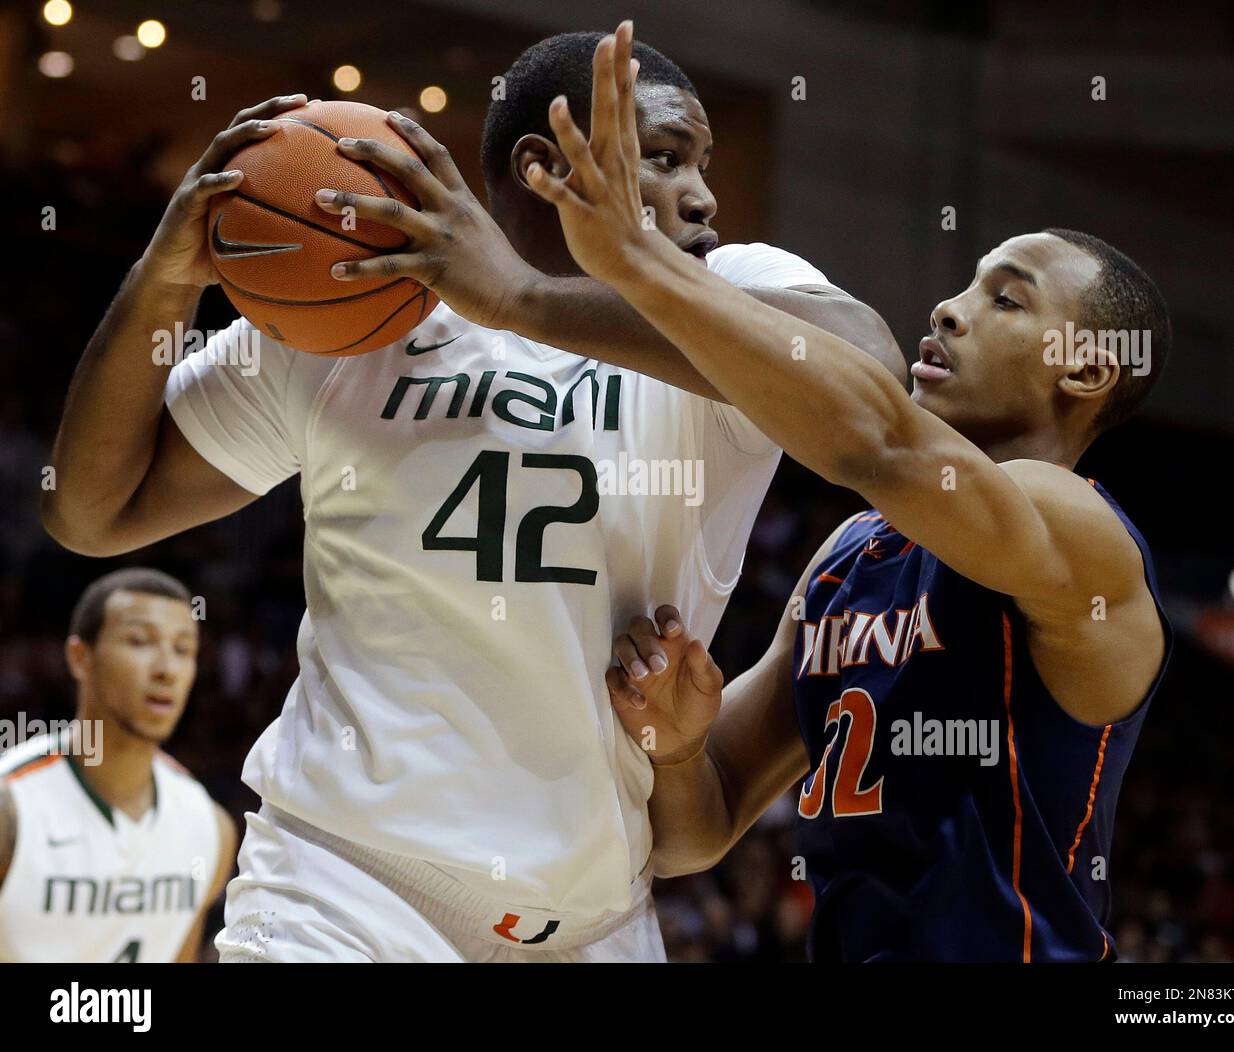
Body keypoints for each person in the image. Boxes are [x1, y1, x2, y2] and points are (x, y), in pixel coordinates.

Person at [40, 23, 903, 962]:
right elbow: (91, 510)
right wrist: (161, 281)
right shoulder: (363, 302)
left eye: (703, 163)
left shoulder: (726, 295)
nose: (702, 194)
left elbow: (871, 382)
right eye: (663, 158)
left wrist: (519, 299)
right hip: (343, 888)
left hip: (593, 915)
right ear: (544, 169)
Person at [530, 27, 1173, 961]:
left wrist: (633, 263)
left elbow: (873, 443)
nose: (949, 308)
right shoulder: (850, 559)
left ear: (1085, 371)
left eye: (1007, 299)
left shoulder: (1083, 533)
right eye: (965, 283)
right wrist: (674, 748)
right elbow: (693, 833)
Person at [0, 568, 235, 962]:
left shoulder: (208, 825)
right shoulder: (12, 805)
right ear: (81, 657)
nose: (166, 668)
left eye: (183, 649)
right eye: (140, 641)